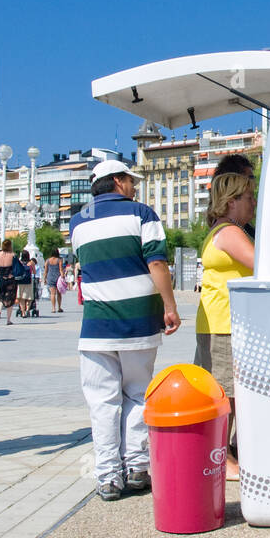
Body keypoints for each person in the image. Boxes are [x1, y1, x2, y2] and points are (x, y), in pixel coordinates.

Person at [71, 159, 181, 501]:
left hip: (96, 325)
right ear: (117, 181)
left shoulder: (77, 221)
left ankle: (107, 477)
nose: (134, 186)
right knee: (137, 393)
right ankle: (136, 467)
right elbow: (157, 262)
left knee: (102, 402)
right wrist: (170, 306)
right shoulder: (142, 214)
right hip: (137, 321)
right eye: (130, 181)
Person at [194, 172, 256, 481]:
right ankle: (222, 458)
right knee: (226, 394)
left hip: (219, 321)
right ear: (231, 202)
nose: (253, 203)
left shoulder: (221, 229)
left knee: (225, 391)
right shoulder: (231, 232)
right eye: (248, 197)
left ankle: (225, 453)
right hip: (224, 324)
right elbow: (261, 262)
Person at [0, 239, 17, 325]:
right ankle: (8, 320)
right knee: (10, 298)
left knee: (0, 297)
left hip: (0, 279)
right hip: (10, 279)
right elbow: (16, 267)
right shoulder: (13, 255)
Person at [44, 247, 65, 313]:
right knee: (59, 294)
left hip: (50, 277)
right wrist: (63, 276)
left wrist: (44, 278)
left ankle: (53, 308)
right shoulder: (59, 260)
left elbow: (45, 271)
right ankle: (59, 307)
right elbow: (61, 269)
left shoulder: (47, 260)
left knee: (52, 294)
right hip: (58, 278)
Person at [16, 251, 34, 318]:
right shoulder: (31, 263)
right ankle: (27, 310)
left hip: (20, 281)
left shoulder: (19, 262)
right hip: (28, 281)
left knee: (21, 298)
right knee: (29, 297)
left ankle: (23, 312)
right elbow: (34, 272)